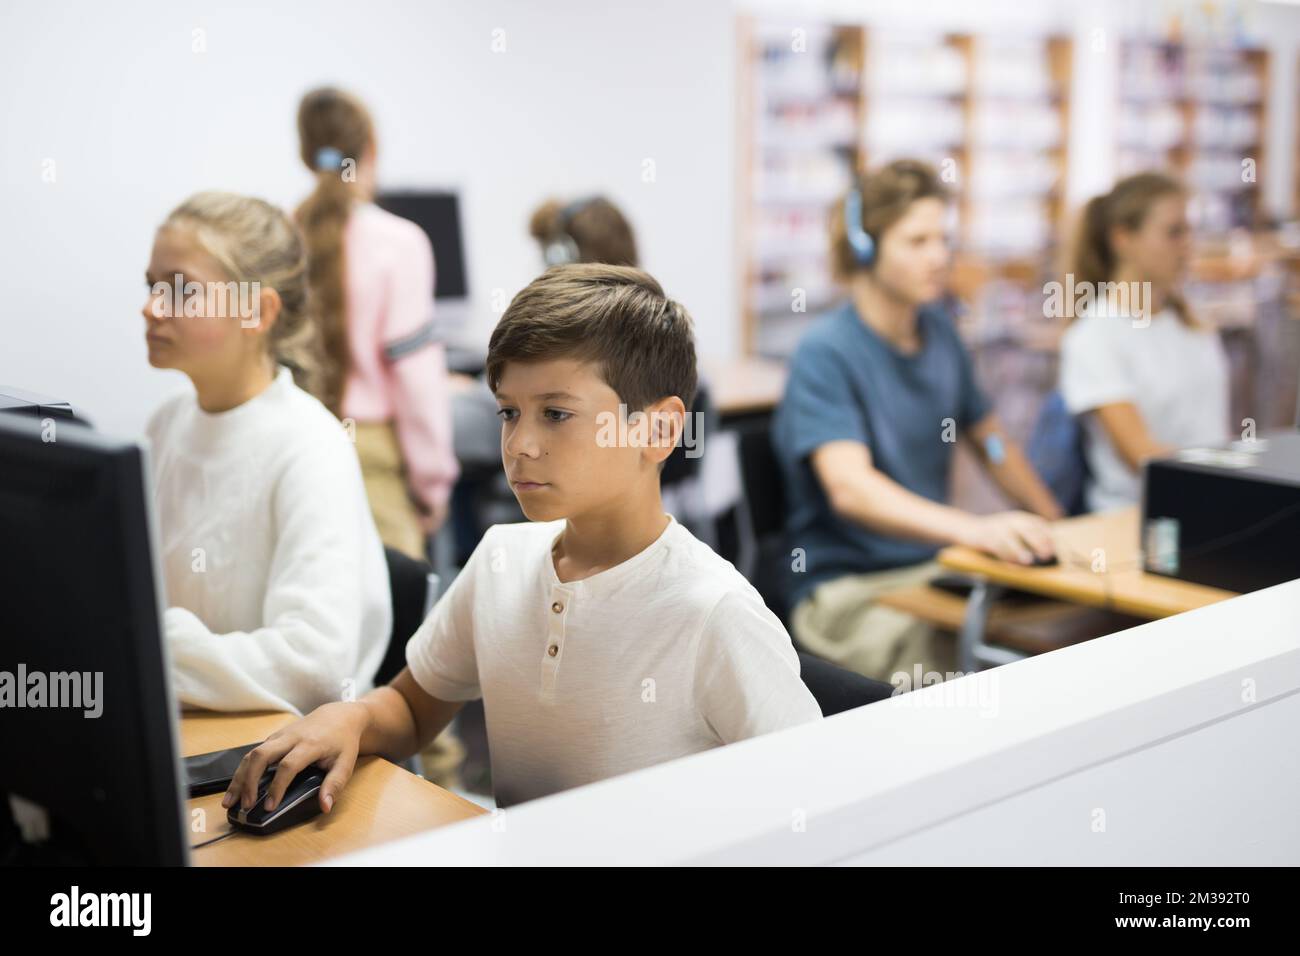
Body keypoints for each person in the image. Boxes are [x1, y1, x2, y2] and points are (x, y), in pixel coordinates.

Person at [223, 263, 821, 813]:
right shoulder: (500, 560)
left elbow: (817, 802)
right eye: (510, 412)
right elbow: (412, 707)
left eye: (555, 414)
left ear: (659, 428)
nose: (519, 445)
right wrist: (351, 719)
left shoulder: (715, 612)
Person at [772, 159, 1061, 683]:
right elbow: (852, 490)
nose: (939, 257)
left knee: (1054, 636)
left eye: (943, 239)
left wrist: (1057, 529)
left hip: (937, 571)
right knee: (976, 677)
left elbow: (992, 445)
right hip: (848, 593)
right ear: (866, 246)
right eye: (917, 241)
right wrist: (977, 529)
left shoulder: (941, 333)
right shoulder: (826, 352)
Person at [142, 191, 389, 715]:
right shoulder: (165, 425)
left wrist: (147, 646)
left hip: (283, 750)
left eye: (181, 290)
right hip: (189, 718)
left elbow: (314, 665)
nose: (151, 307)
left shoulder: (310, 446)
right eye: (151, 286)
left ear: (256, 311)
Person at [297, 86, 459, 561]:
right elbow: (417, 380)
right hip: (372, 461)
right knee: (397, 623)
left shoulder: (280, 234)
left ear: (305, 153)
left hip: (300, 446)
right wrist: (433, 484)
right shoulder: (400, 242)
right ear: (370, 149)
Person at [1059, 172, 1231, 512]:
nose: (1188, 244)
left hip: (1210, 504)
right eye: (1173, 232)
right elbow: (1139, 454)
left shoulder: (1190, 321)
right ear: (1123, 238)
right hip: (1136, 517)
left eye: (1189, 230)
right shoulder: (1095, 336)